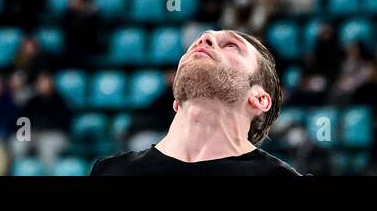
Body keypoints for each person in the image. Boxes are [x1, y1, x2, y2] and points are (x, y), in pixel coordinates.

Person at [91, 30, 299, 175]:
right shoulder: (109, 171)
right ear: (176, 101)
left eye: (232, 46)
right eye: (197, 42)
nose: (205, 38)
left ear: (259, 99)